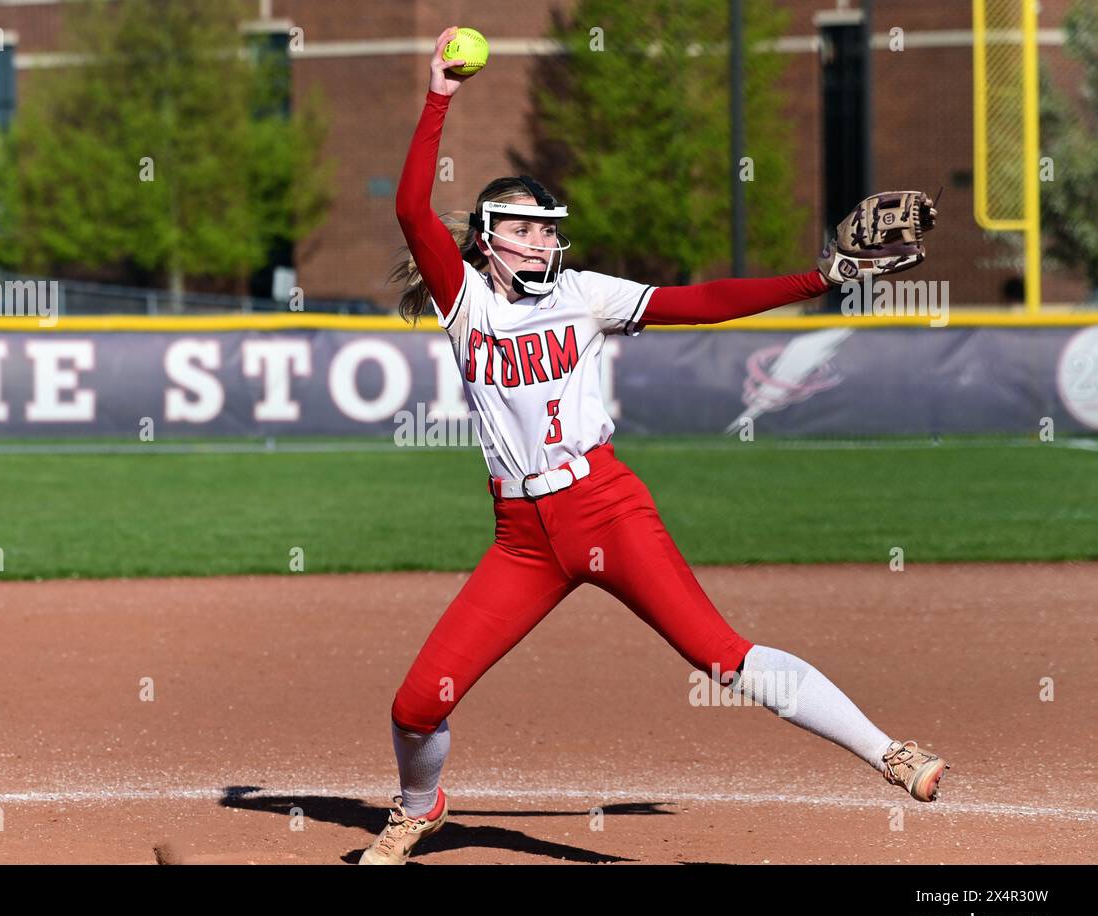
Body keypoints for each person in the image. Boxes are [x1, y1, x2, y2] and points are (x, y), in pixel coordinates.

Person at [360, 26, 947, 866]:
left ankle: (889, 751)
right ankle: (420, 808)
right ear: (487, 238)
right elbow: (412, 207)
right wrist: (439, 97)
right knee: (418, 704)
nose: (541, 243)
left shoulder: (585, 294)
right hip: (522, 540)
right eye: (523, 231)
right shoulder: (466, 304)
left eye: (547, 230)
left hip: (604, 508)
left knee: (722, 656)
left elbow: (702, 301)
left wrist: (822, 277)